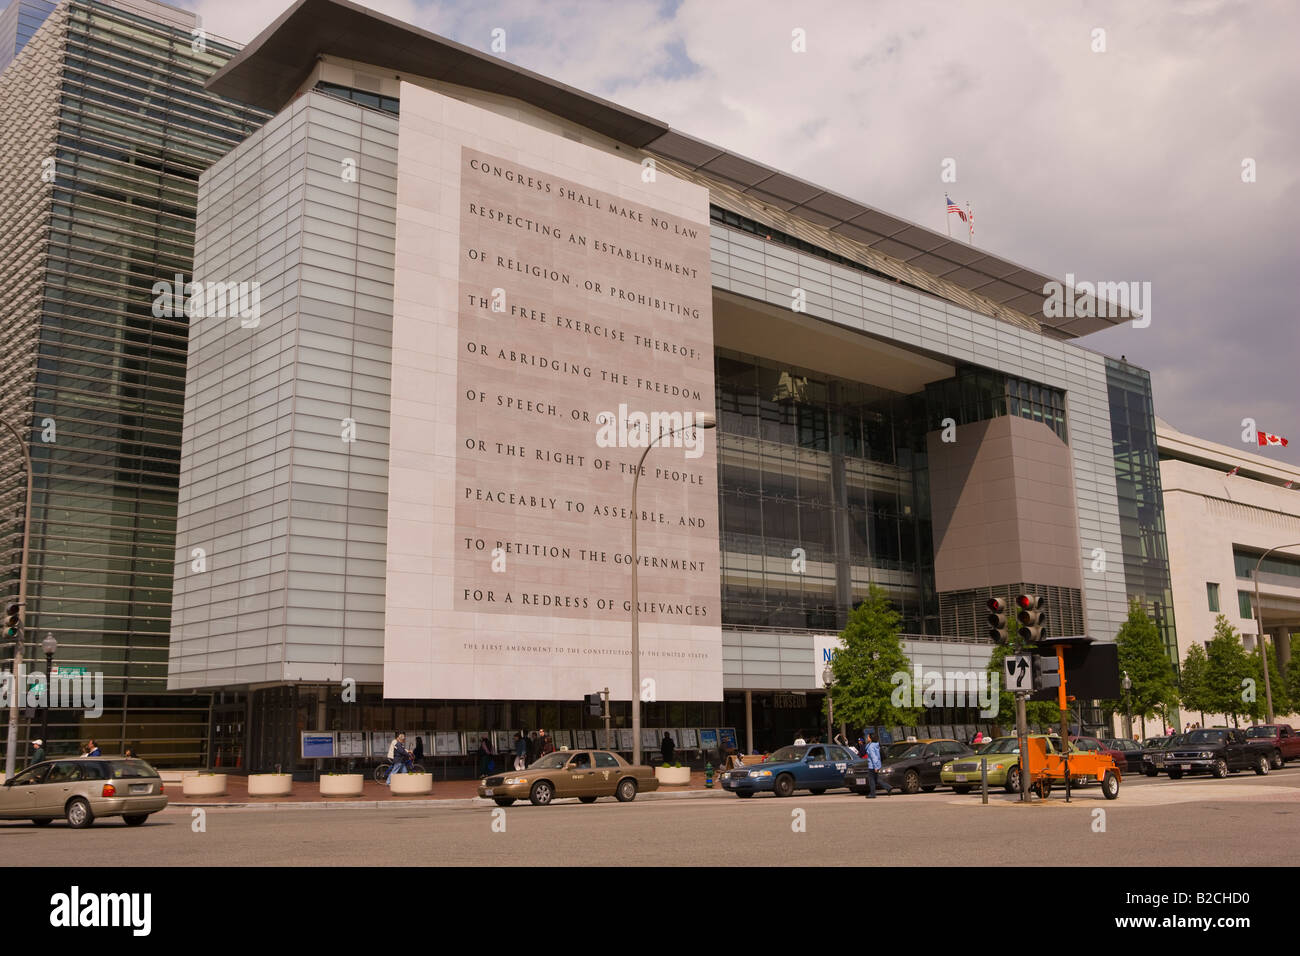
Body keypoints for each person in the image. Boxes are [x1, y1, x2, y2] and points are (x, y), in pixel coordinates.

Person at [864, 733, 891, 798]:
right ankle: (888, 787)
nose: (867, 738)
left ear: (870, 738)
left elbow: (874, 757)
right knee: (876, 779)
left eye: (868, 737)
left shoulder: (871, 747)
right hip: (877, 764)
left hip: (872, 766)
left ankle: (872, 794)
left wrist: (875, 767)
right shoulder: (876, 745)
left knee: (871, 780)